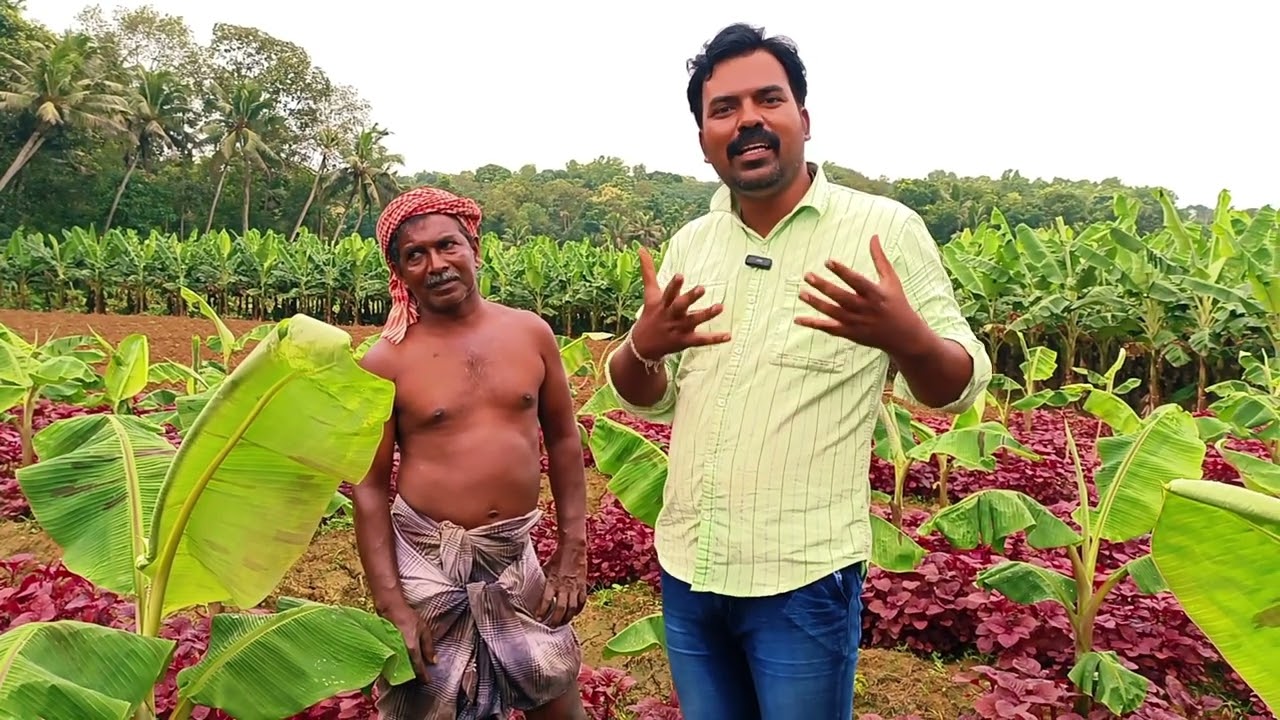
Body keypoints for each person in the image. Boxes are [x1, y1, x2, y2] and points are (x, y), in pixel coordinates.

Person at [604, 22, 992, 720]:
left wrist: (904, 338)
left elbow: (956, 389)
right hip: (690, 565)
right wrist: (643, 344)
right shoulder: (692, 241)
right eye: (724, 109)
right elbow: (648, 397)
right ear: (703, 137)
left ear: (802, 118)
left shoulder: (884, 230)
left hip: (802, 575)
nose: (747, 119)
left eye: (768, 99)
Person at [353, 186, 590, 720]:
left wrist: (572, 548)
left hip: (514, 555)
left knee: (560, 704)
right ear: (400, 272)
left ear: (474, 247)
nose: (436, 264)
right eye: (415, 255)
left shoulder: (531, 333)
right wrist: (393, 605)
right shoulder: (385, 361)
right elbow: (368, 488)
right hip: (429, 566)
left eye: (447, 245)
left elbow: (563, 439)